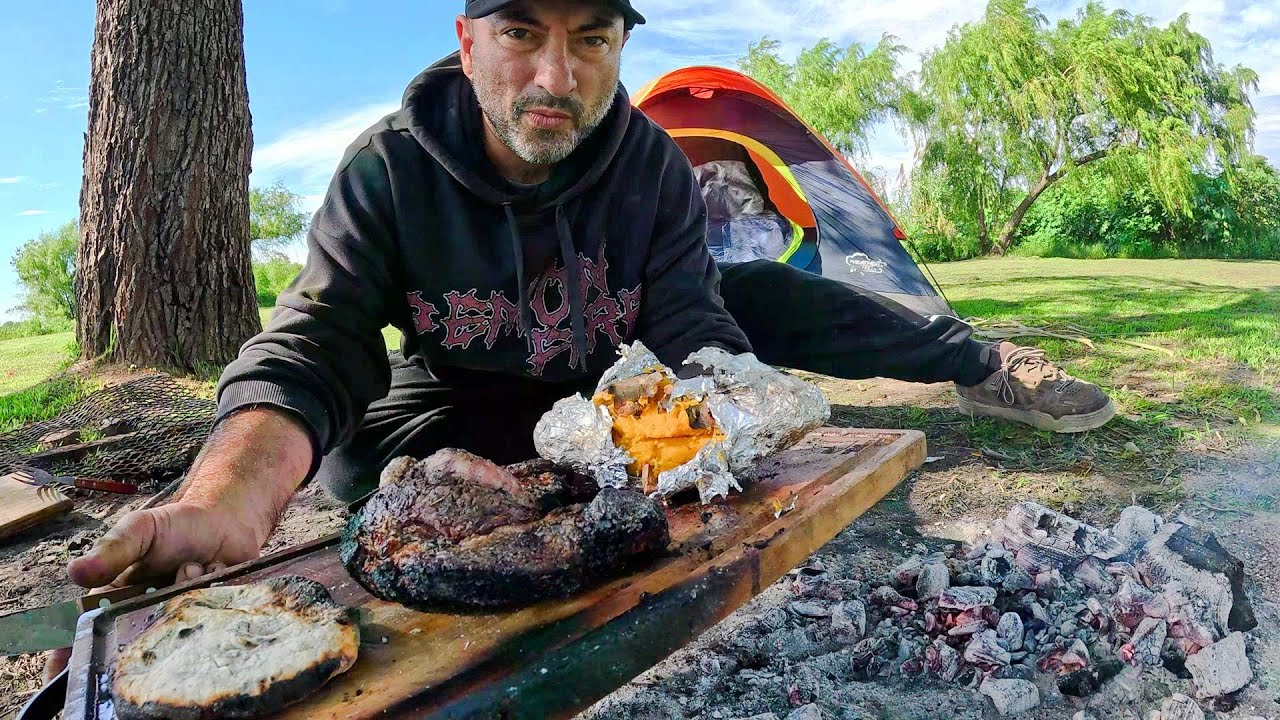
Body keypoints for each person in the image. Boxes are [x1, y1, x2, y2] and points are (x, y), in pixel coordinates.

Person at [62, 0, 1113, 641]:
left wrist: (717, 411)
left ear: (617, 46)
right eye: (521, 34)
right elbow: (316, 339)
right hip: (463, 405)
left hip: (620, 385)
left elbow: (693, 324)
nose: (555, 77)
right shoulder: (387, 173)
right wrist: (231, 494)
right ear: (468, 42)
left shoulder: (648, 163)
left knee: (756, 292)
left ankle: (980, 361)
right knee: (362, 471)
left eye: (591, 38)